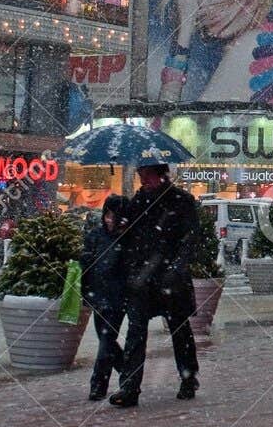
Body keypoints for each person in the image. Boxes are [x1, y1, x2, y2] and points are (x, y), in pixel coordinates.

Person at [109, 160, 202, 407]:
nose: (143, 181)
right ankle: (129, 387)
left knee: (179, 331)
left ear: (162, 175)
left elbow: (190, 241)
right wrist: (120, 225)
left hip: (171, 280)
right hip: (142, 279)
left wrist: (176, 268)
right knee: (136, 331)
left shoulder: (182, 201)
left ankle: (188, 377)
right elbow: (126, 236)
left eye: (147, 175)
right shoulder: (138, 202)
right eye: (141, 175)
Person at [80, 196, 127, 401]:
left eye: (112, 216)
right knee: (105, 338)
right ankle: (128, 372)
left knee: (107, 339)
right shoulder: (95, 235)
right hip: (98, 295)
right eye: (106, 215)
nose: (109, 220)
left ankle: (98, 384)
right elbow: (86, 261)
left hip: (117, 297)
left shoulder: (127, 238)